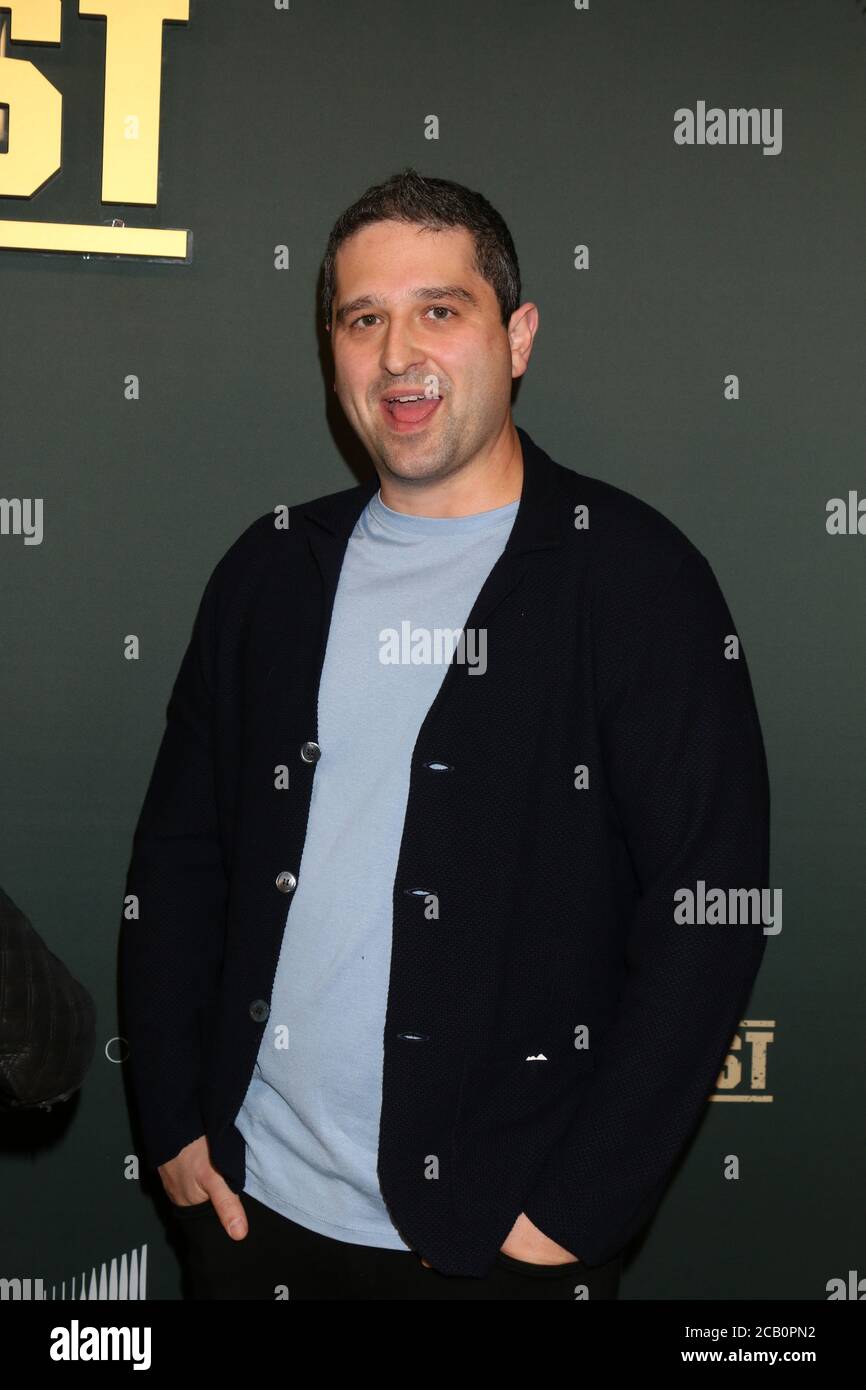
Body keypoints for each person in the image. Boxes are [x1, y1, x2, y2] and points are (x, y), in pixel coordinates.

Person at [119, 168, 770, 1301]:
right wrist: (175, 1119)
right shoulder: (269, 572)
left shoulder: (632, 582)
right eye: (362, 319)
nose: (395, 355)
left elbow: (705, 911)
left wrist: (569, 1212)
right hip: (250, 1210)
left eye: (439, 310)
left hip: (491, 1242)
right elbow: (180, 860)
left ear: (515, 336)